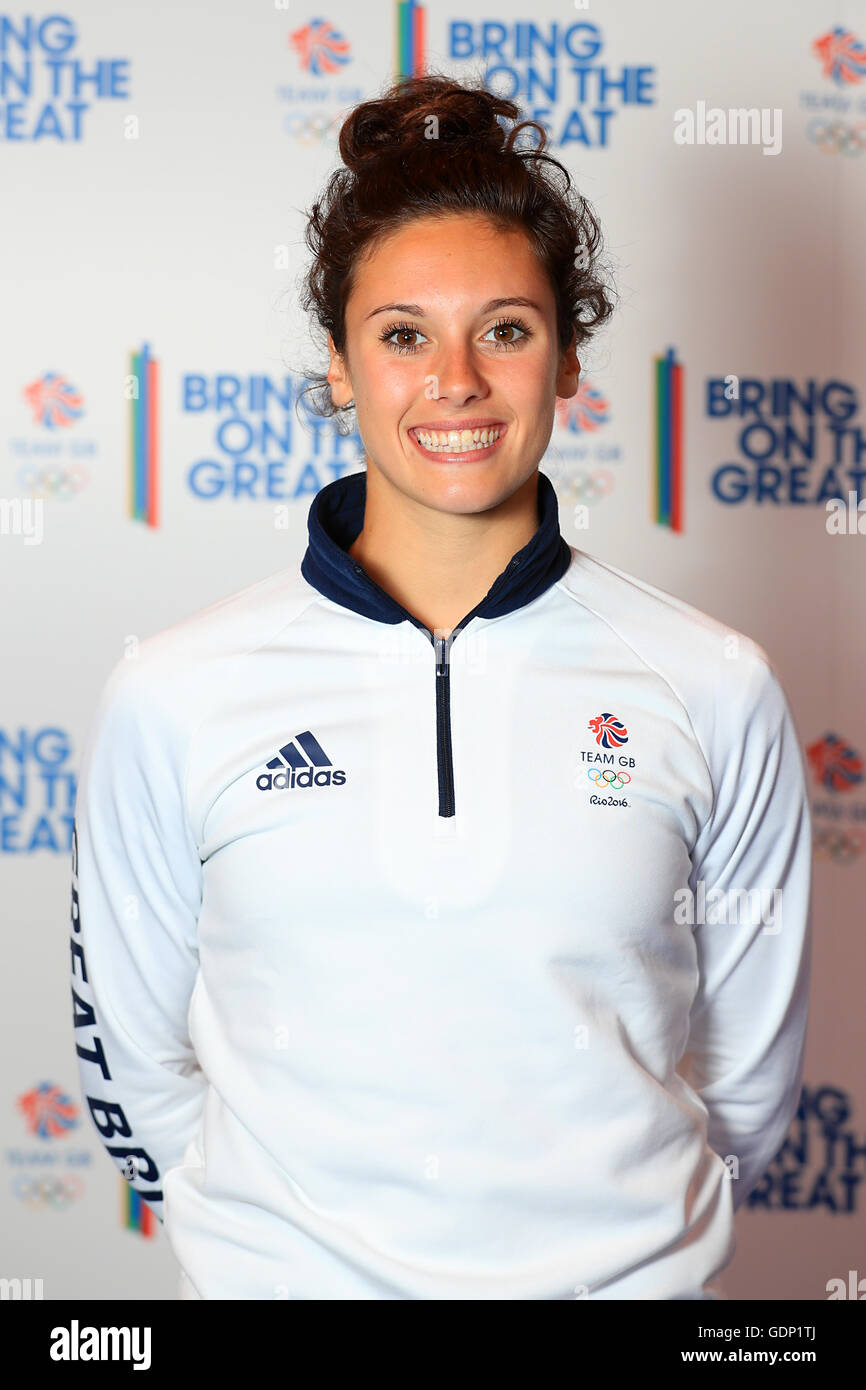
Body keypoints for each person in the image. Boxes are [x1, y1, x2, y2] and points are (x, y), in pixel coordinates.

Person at [70, 73, 812, 1300]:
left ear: (567, 361)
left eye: (506, 329)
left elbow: (744, 1092)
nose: (455, 379)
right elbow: (135, 1074)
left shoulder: (712, 682)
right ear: (341, 365)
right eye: (403, 333)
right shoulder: (178, 689)